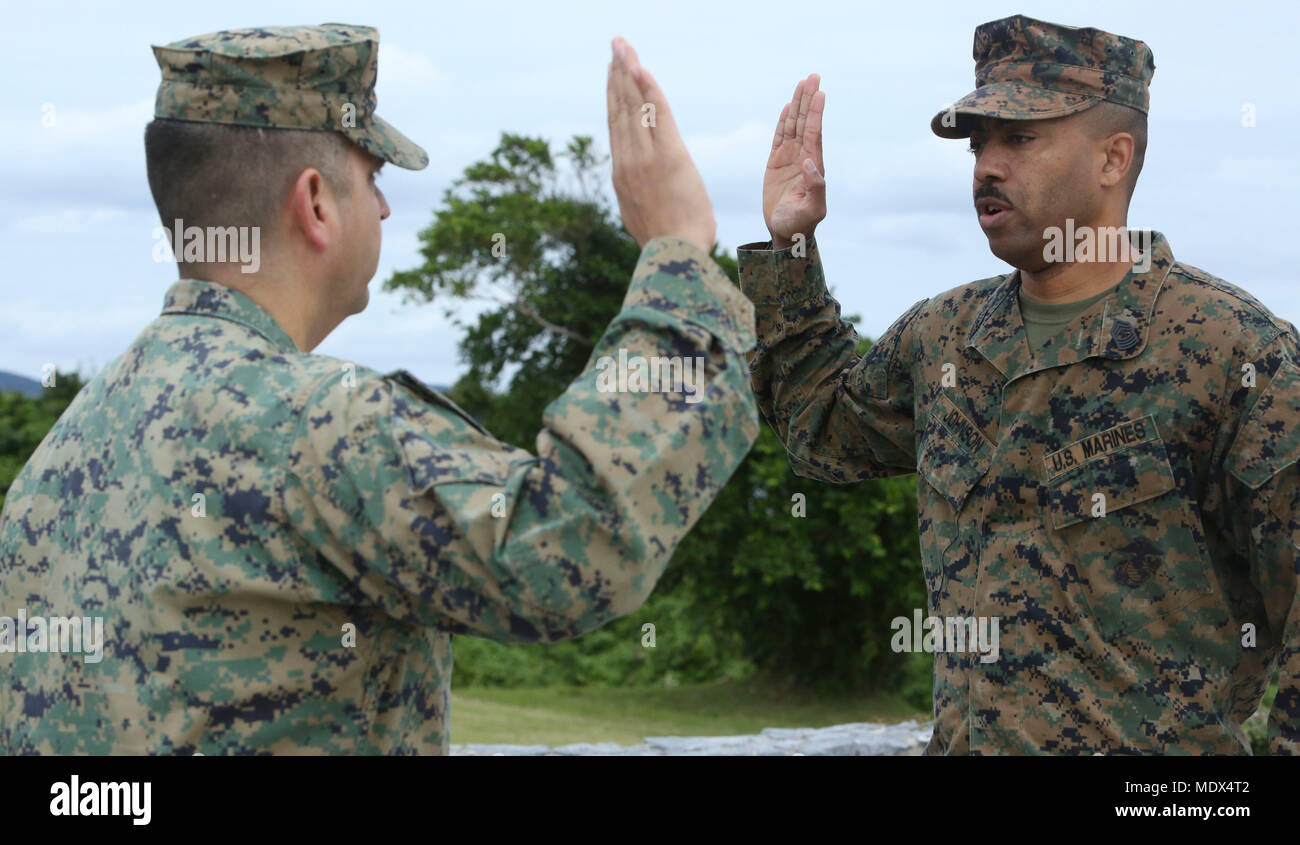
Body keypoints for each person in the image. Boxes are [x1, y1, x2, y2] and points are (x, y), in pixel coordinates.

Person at [0, 25, 757, 754]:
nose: (386, 208)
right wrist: (679, 255)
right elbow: (572, 548)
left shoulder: (61, 454)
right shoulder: (319, 424)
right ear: (316, 204)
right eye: (373, 178)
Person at [740, 13, 1300, 754]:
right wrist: (791, 244)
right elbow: (819, 429)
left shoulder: (1231, 351)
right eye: (979, 144)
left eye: (1020, 139)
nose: (987, 167)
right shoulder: (945, 337)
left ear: (1113, 158)